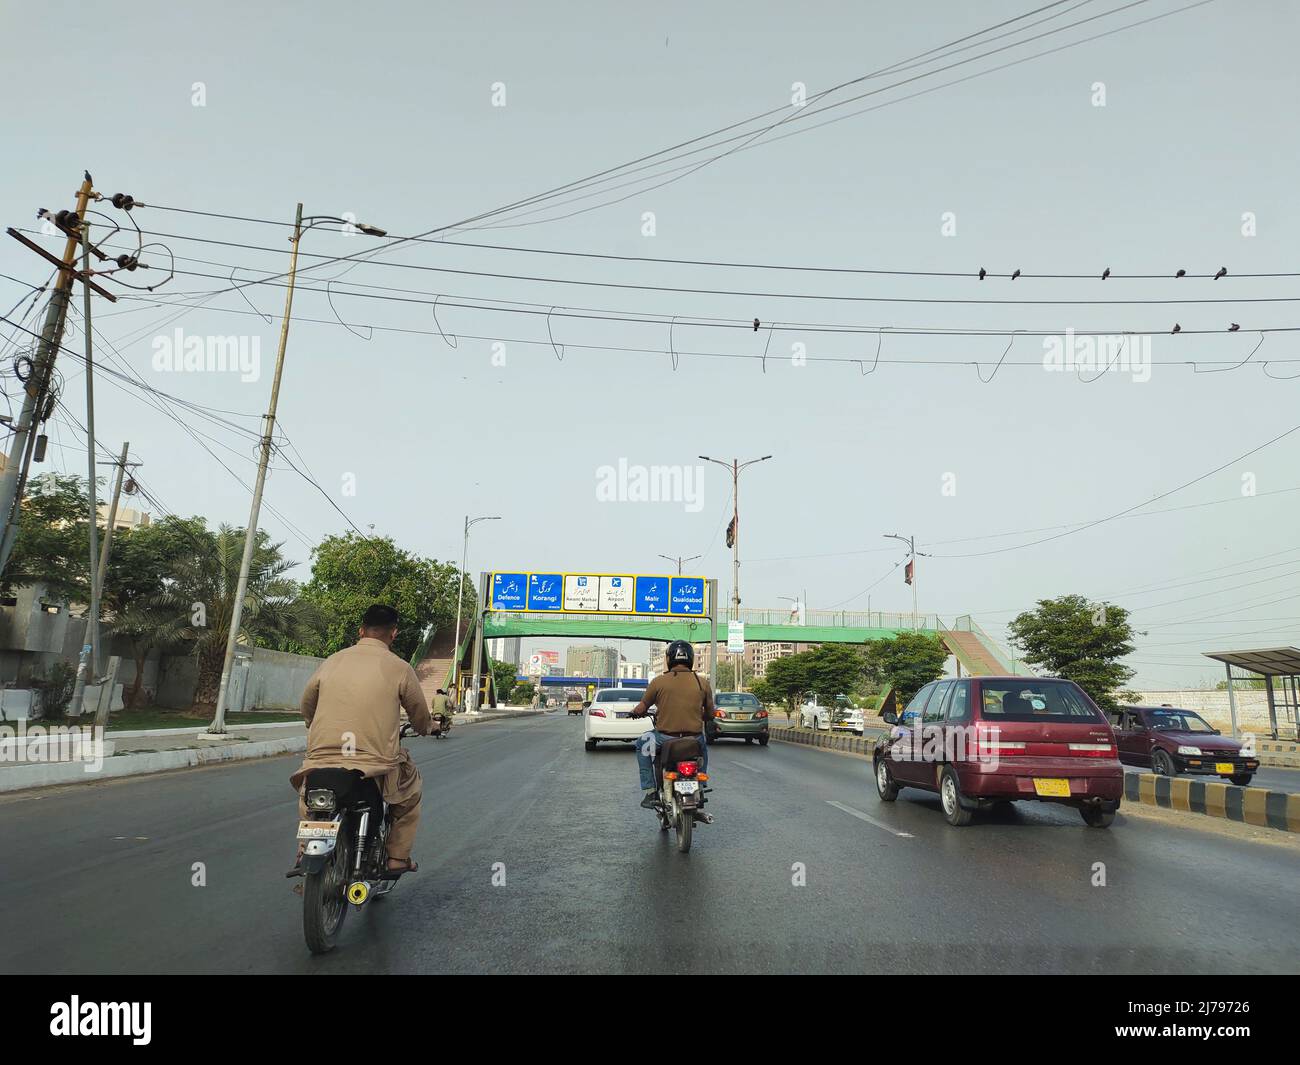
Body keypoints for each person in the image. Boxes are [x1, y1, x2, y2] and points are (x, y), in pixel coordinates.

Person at [290, 604, 433, 874]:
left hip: (322, 755)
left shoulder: (332, 661)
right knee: (409, 793)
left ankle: (304, 849)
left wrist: (314, 725)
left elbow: (307, 705)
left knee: (309, 795)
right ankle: (397, 858)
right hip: (373, 761)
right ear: (393, 634)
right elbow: (419, 716)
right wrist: (427, 728)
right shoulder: (400, 668)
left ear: (361, 630)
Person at [630, 639, 715, 821]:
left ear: (669, 659)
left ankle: (651, 791)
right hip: (694, 739)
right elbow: (711, 713)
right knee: (703, 745)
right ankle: (701, 783)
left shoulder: (659, 682)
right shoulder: (702, 683)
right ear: (690, 658)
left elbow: (643, 706)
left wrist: (635, 713)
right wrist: (702, 716)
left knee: (641, 744)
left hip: (664, 738)